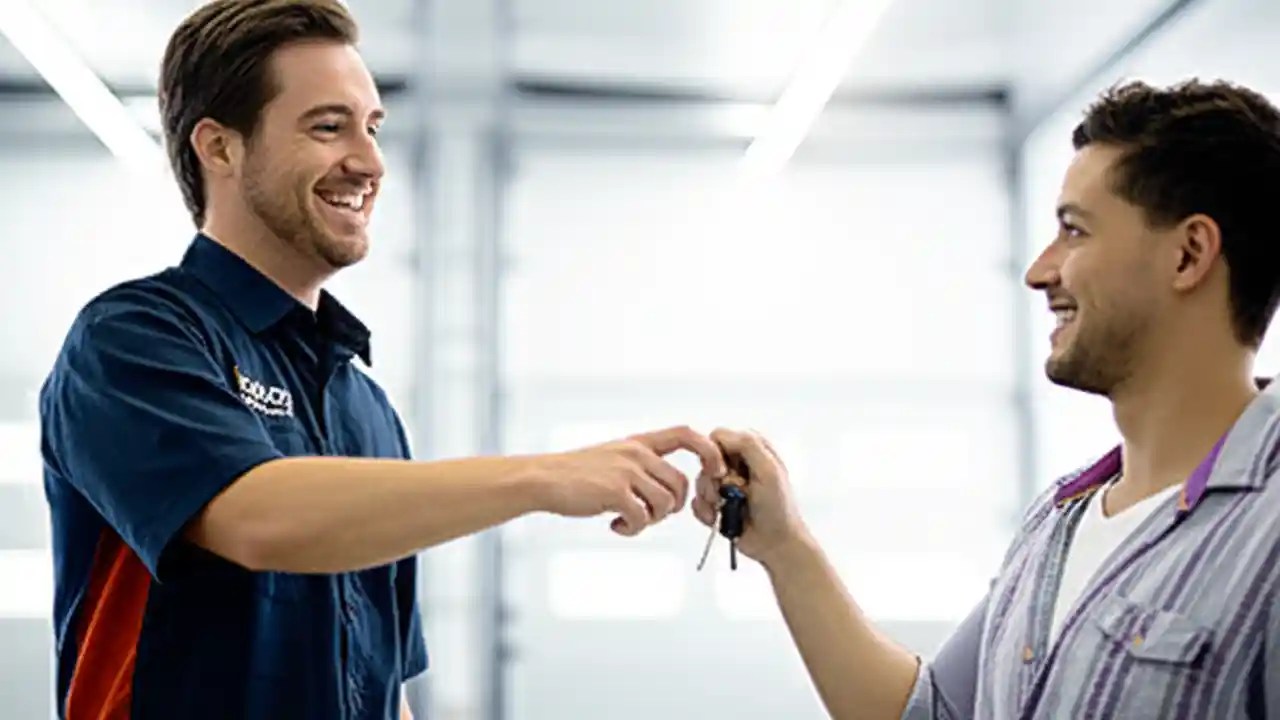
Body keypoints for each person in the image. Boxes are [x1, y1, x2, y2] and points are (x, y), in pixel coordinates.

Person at [37, 2, 727, 719]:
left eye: (372, 128)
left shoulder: (364, 407)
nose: (369, 163)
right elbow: (257, 518)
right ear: (220, 147)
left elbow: (386, 683)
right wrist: (542, 475)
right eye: (328, 126)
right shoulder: (133, 338)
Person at [697, 78, 1280, 719]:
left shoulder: (1266, 534)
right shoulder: (1057, 522)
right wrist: (784, 547)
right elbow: (932, 714)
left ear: (1188, 254)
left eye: (1075, 231)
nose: (1039, 271)